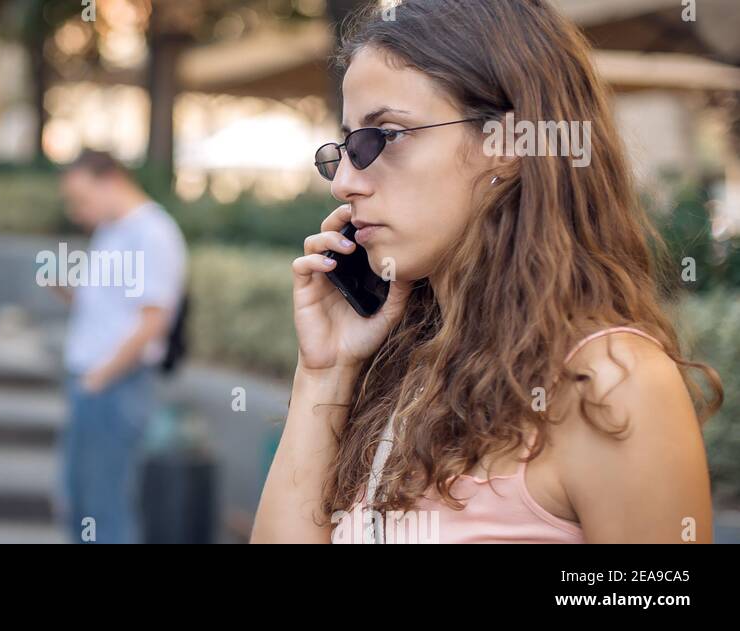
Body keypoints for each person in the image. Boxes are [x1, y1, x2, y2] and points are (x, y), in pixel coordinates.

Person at [251, 0, 722, 544]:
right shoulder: (404, 369)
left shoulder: (609, 384)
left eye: (385, 137)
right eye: (348, 146)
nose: (344, 184)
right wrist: (325, 371)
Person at [56, 150, 188, 543]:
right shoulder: (112, 229)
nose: (78, 212)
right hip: (94, 379)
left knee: (105, 506)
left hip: (116, 383)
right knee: (81, 501)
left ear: (110, 179)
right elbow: (108, 307)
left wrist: (100, 377)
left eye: (82, 199)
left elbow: (154, 320)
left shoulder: (153, 232)